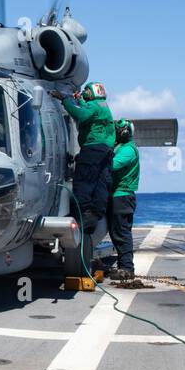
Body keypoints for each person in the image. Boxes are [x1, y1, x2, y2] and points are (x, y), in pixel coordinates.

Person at [51, 81, 115, 271]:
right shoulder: (104, 106)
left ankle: (85, 215)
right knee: (101, 184)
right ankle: (95, 214)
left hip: (92, 148)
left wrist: (66, 100)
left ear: (92, 92)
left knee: (83, 183)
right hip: (105, 150)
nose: (84, 94)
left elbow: (81, 114)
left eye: (86, 92)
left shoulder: (93, 106)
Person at [107, 118, 139, 279]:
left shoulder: (128, 150)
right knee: (116, 232)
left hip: (122, 196)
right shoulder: (121, 147)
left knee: (121, 233)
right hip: (116, 195)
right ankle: (123, 266)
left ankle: (127, 268)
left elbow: (112, 165)